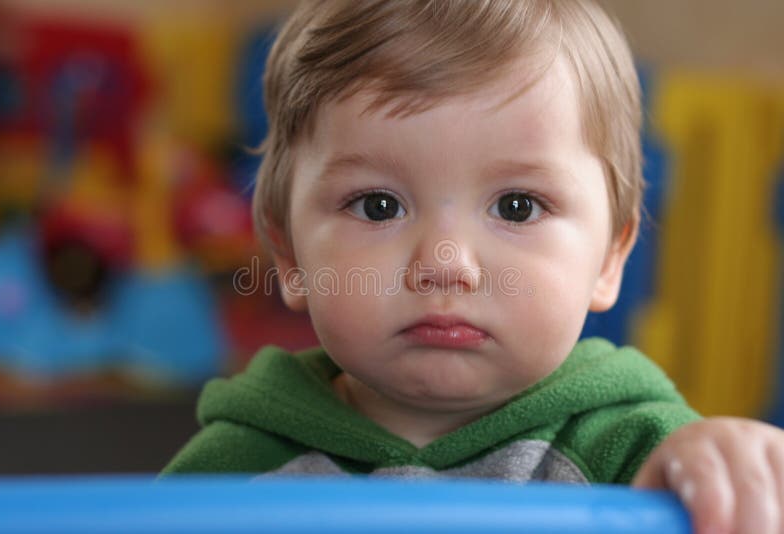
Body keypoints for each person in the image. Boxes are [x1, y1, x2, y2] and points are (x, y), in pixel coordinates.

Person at [164, 1, 784, 532]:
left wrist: (717, 471)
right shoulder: (231, 473)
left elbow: (698, 483)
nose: (444, 265)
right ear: (291, 257)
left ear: (609, 258)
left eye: (517, 206)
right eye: (378, 205)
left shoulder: (638, 456)